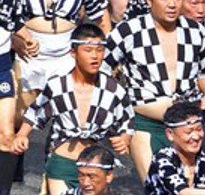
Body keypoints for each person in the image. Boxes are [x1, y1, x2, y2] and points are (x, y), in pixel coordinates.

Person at [104, 0, 205, 180]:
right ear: (149, 0)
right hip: (146, 121)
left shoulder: (197, 31)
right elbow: (102, 70)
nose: (172, 4)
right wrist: (117, 111)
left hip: (190, 117)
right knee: (156, 184)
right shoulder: (128, 31)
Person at [12, 23, 131, 194]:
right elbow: (36, 112)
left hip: (95, 167)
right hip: (62, 163)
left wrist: (124, 138)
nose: (95, 56)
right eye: (88, 50)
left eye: (99, 51)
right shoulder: (58, 85)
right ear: (73, 53)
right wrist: (22, 135)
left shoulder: (113, 89)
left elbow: (127, 120)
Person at [144, 102, 205, 194]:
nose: (196, 137)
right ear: (170, 134)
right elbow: (182, 192)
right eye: (188, 132)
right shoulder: (162, 159)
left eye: (199, 129)